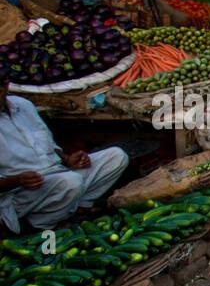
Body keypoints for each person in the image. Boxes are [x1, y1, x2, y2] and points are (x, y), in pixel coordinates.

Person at [0, 79, 127, 233]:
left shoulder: (23, 105)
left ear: (5, 86)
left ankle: (77, 208)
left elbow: (48, 144)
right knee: (71, 182)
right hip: (23, 192)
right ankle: (39, 224)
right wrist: (17, 180)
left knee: (116, 156)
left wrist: (67, 160)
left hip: (59, 173)